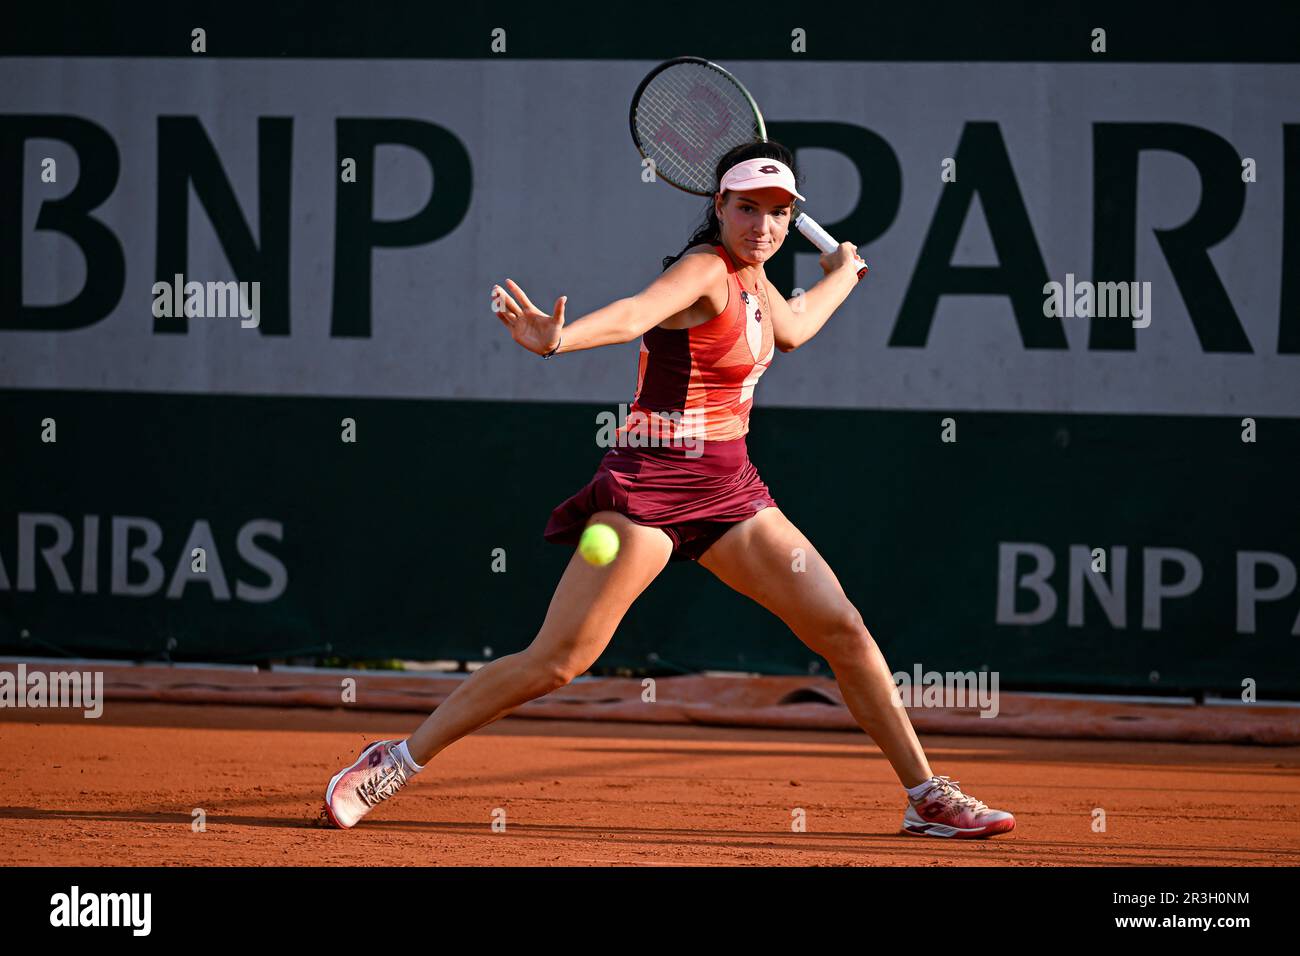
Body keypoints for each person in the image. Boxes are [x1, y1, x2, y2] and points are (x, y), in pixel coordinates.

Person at [324, 141, 1015, 839]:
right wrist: (557, 341)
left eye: (778, 213)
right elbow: (633, 313)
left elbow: (795, 328)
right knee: (558, 661)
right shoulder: (704, 271)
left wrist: (842, 273)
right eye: (748, 209)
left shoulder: (753, 278)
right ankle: (396, 759)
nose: (764, 227)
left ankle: (926, 795)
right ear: (718, 206)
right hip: (648, 493)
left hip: (732, 497)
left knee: (844, 629)